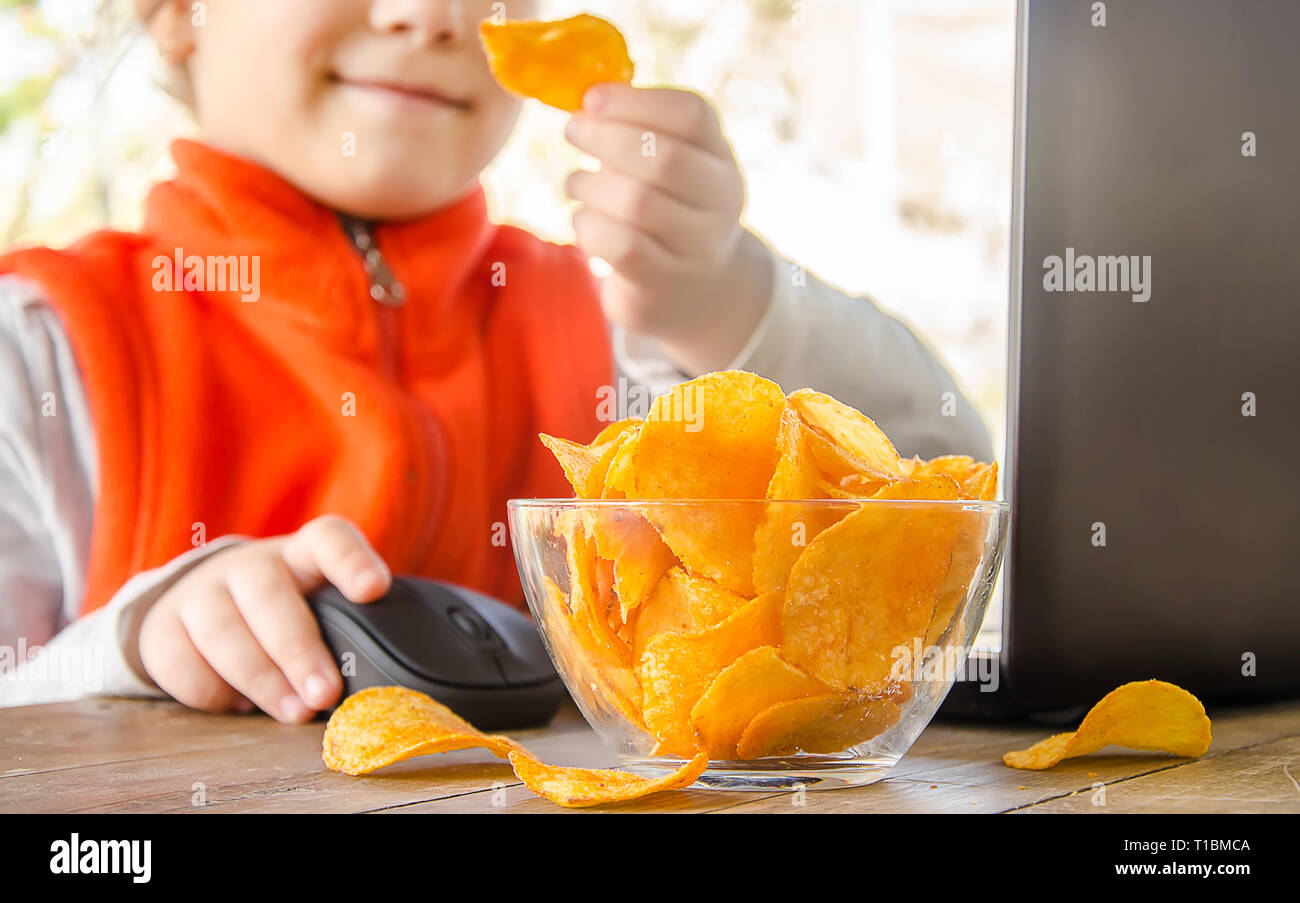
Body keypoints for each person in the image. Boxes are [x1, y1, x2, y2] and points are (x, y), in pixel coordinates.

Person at [0, 0, 991, 718]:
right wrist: (134, 642)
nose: (431, 14)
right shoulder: (37, 348)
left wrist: (721, 297)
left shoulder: (626, 335)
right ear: (175, 12)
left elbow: (939, 491)